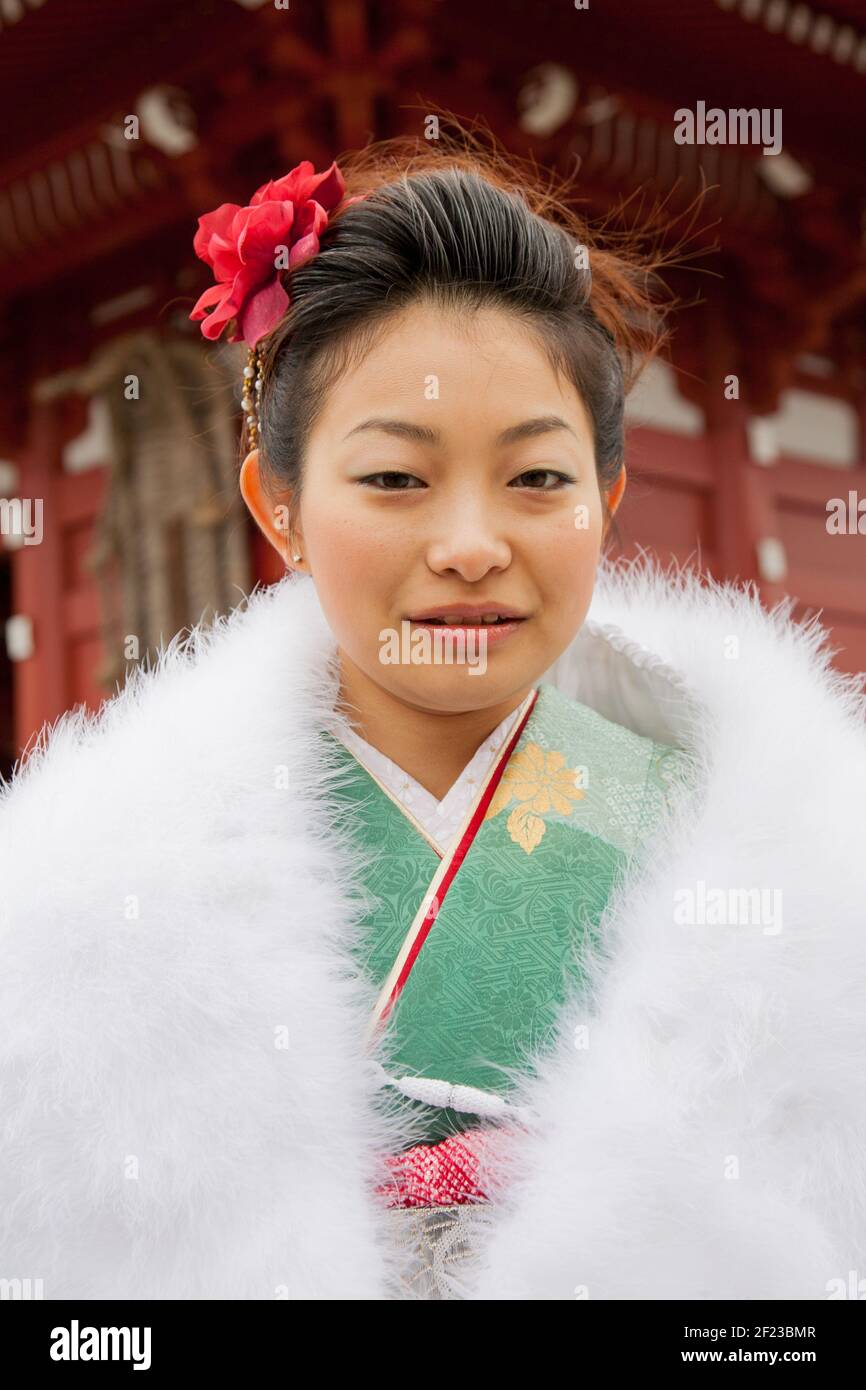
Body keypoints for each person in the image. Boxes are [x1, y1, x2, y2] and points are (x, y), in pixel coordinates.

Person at [2, 133, 865, 1302]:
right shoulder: (83, 899)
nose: (470, 544)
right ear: (280, 504)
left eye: (536, 478)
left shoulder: (793, 861)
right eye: (396, 479)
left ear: (605, 502)